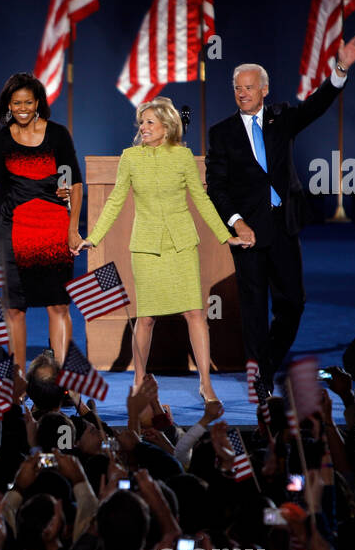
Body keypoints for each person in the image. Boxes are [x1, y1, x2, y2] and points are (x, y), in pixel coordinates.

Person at [204, 34, 355, 399]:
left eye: (249, 87)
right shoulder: (222, 133)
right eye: (237, 88)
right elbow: (216, 186)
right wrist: (236, 222)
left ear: (264, 89)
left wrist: (340, 69)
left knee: (293, 303)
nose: (242, 93)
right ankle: (258, 378)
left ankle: (266, 365)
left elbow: (318, 104)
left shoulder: (282, 119)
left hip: (284, 225)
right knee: (253, 308)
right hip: (247, 233)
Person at [76, 97, 243, 405]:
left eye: (150, 122)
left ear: (167, 127)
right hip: (146, 247)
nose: (144, 127)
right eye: (142, 122)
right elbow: (114, 202)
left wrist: (225, 235)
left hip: (181, 244)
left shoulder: (182, 157)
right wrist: (93, 237)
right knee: (147, 316)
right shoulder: (130, 158)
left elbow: (201, 199)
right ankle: (139, 381)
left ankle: (205, 384)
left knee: (195, 313)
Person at [0, 72, 84, 371]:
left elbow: (74, 183)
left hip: (53, 229)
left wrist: (73, 229)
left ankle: (61, 381)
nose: (22, 108)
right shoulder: (1, 139)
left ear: (38, 102)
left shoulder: (57, 134)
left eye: (28, 102)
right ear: (8, 105)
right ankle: (18, 381)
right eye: (16, 103)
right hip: (13, 230)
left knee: (58, 305)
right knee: (14, 308)